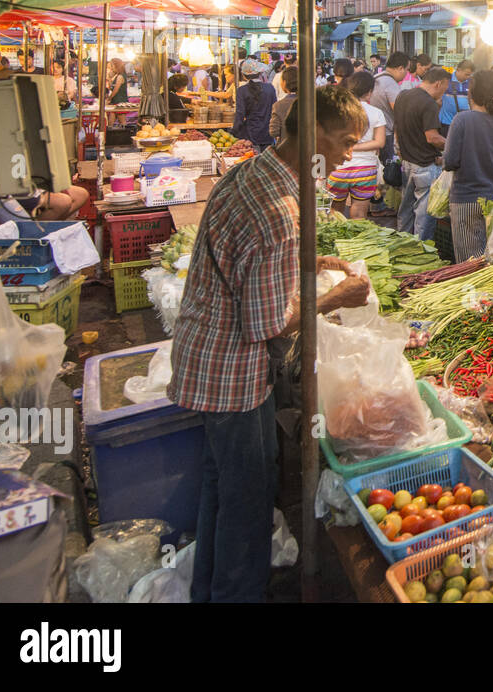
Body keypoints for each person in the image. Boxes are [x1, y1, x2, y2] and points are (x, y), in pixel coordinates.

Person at [170, 85, 371, 603]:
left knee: (220, 488)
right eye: (346, 142)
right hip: (232, 375)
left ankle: (208, 591)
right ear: (315, 133)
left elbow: (247, 258)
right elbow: (267, 325)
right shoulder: (280, 208)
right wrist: (336, 297)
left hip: (205, 355)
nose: (349, 155)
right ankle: (237, 593)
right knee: (247, 501)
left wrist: (311, 262)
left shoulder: (255, 172)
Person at [443, 70, 493, 261]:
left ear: (473, 93)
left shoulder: (462, 120)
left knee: (470, 264)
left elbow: (450, 161)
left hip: (466, 200)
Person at [394, 66, 450, 239]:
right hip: (425, 166)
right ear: (438, 84)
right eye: (444, 89)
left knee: (406, 208)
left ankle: (402, 242)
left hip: (407, 162)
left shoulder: (403, 96)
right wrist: (453, 145)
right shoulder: (428, 103)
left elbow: (398, 128)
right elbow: (432, 138)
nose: (443, 94)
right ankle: (421, 247)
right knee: (424, 214)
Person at [325, 70, 386, 219]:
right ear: (369, 92)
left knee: (335, 213)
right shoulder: (376, 113)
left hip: (338, 168)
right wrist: (356, 147)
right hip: (365, 169)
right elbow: (380, 142)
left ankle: (337, 234)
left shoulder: (337, 111)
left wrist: (348, 147)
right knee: (359, 213)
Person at [370, 51, 409, 164]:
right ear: (400, 68)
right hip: (385, 134)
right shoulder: (390, 84)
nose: (406, 74)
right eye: (406, 70)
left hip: (372, 132)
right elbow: (399, 110)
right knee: (387, 168)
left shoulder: (376, 77)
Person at [231, 60, 278, 149]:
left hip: (250, 134)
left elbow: (240, 114)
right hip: (267, 132)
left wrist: (234, 132)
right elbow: (274, 110)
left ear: (244, 75)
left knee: (250, 156)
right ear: (260, 73)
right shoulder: (270, 88)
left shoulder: (242, 91)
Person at [438, 61, 472, 133]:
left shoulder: (471, 82)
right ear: (458, 70)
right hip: (447, 123)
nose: (468, 77)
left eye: (470, 75)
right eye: (466, 74)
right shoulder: (447, 79)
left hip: (463, 123)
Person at [269, 66, 298, 144]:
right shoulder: (311, 103)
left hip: (287, 148)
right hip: (310, 148)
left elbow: (274, 132)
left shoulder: (278, 106)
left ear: (284, 83)